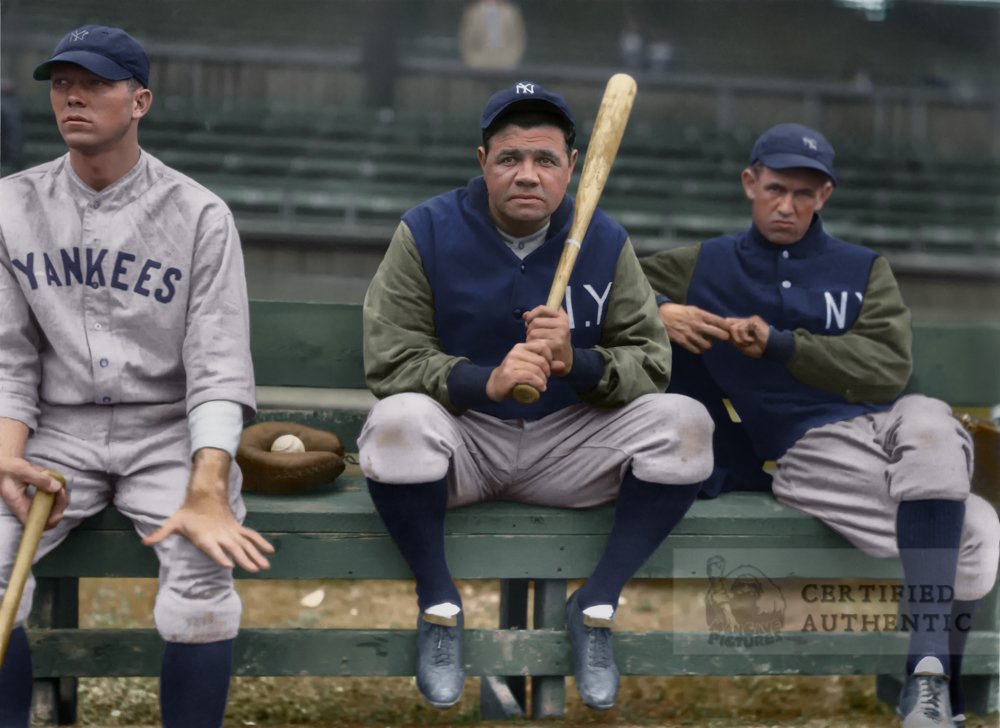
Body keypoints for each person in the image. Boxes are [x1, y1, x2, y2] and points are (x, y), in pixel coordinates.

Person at [359, 81, 714, 711]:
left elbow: (651, 363)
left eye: (545, 159)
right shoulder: (427, 230)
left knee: (686, 423)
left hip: (571, 447)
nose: (528, 174)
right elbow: (391, 359)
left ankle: (597, 604)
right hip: (465, 441)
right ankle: (438, 605)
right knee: (396, 422)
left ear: (572, 167)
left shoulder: (605, 240)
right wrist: (483, 380)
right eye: (510, 158)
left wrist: (577, 362)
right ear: (483, 162)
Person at [640, 123, 1000, 728]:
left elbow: (889, 369)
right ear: (750, 183)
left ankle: (928, 681)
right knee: (980, 528)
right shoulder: (706, 263)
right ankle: (934, 684)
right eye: (776, 188)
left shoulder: (862, 268)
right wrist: (661, 309)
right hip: (807, 444)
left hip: (891, 418)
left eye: (804, 193)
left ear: (824, 195)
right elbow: (609, 288)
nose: (787, 205)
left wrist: (783, 345)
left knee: (933, 425)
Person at [0, 25, 274, 727]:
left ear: (140, 100)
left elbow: (218, 368)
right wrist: (6, 453)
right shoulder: (10, 206)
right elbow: (9, 356)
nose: (73, 98)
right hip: (56, 433)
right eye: (63, 84)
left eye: (95, 84)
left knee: (202, 571)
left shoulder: (199, 214)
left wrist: (208, 486)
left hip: (167, 431)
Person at [459, 0, 526, 71]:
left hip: (506, 62)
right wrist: (472, 59)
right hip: (479, 62)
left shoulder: (510, 13)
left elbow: (518, 39)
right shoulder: (473, 13)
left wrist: (512, 58)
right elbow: (466, 40)